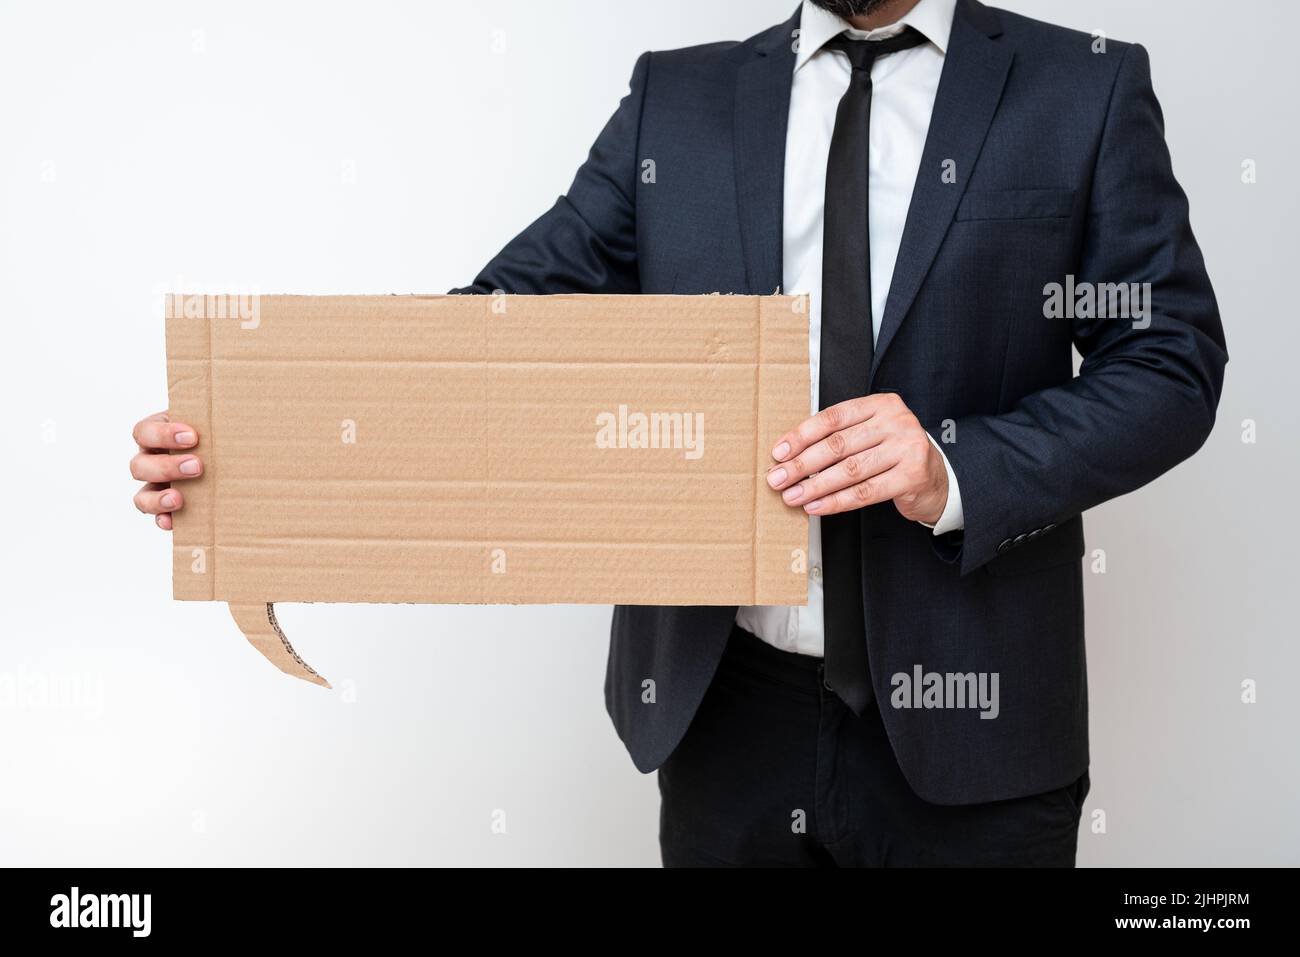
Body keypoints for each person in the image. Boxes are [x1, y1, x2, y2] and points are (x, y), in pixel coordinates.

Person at [130, 0, 1227, 866]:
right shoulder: (679, 99)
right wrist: (263, 450)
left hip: (978, 717)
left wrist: (954, 465)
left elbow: (1168, 361)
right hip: (723, 711)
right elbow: (500, 333)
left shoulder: (1082, 84)